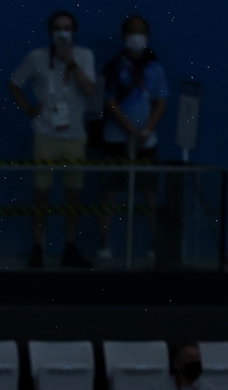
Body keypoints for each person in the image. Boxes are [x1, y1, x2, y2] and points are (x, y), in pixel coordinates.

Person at [9, 9, 96, 268]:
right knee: (41, 195)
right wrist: (29, 109)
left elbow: (90, 90)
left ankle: (69, 247)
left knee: (72, 195)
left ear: (74, 32)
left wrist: (72, 64)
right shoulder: (36, 58)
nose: (62, 32)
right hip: (45, 135)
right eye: (58, 28)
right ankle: (37, 247)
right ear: (50, 32)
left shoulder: (84, 55)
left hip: (75, 137)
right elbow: (14, 83)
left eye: (67, 28)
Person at [96, 15, 169, 260]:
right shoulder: (114, 66)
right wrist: (130, 130)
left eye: (140, 32)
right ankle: (104, 244)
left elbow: (160, 102)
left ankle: (156, 243)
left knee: (150, 193)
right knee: (109, 192)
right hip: (117, 139)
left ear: (146, 36)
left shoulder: (155, 68)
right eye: (131, 31)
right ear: (124, 36)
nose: (136, 36)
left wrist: (146, 130)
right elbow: (110, 102)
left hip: (146, 142)